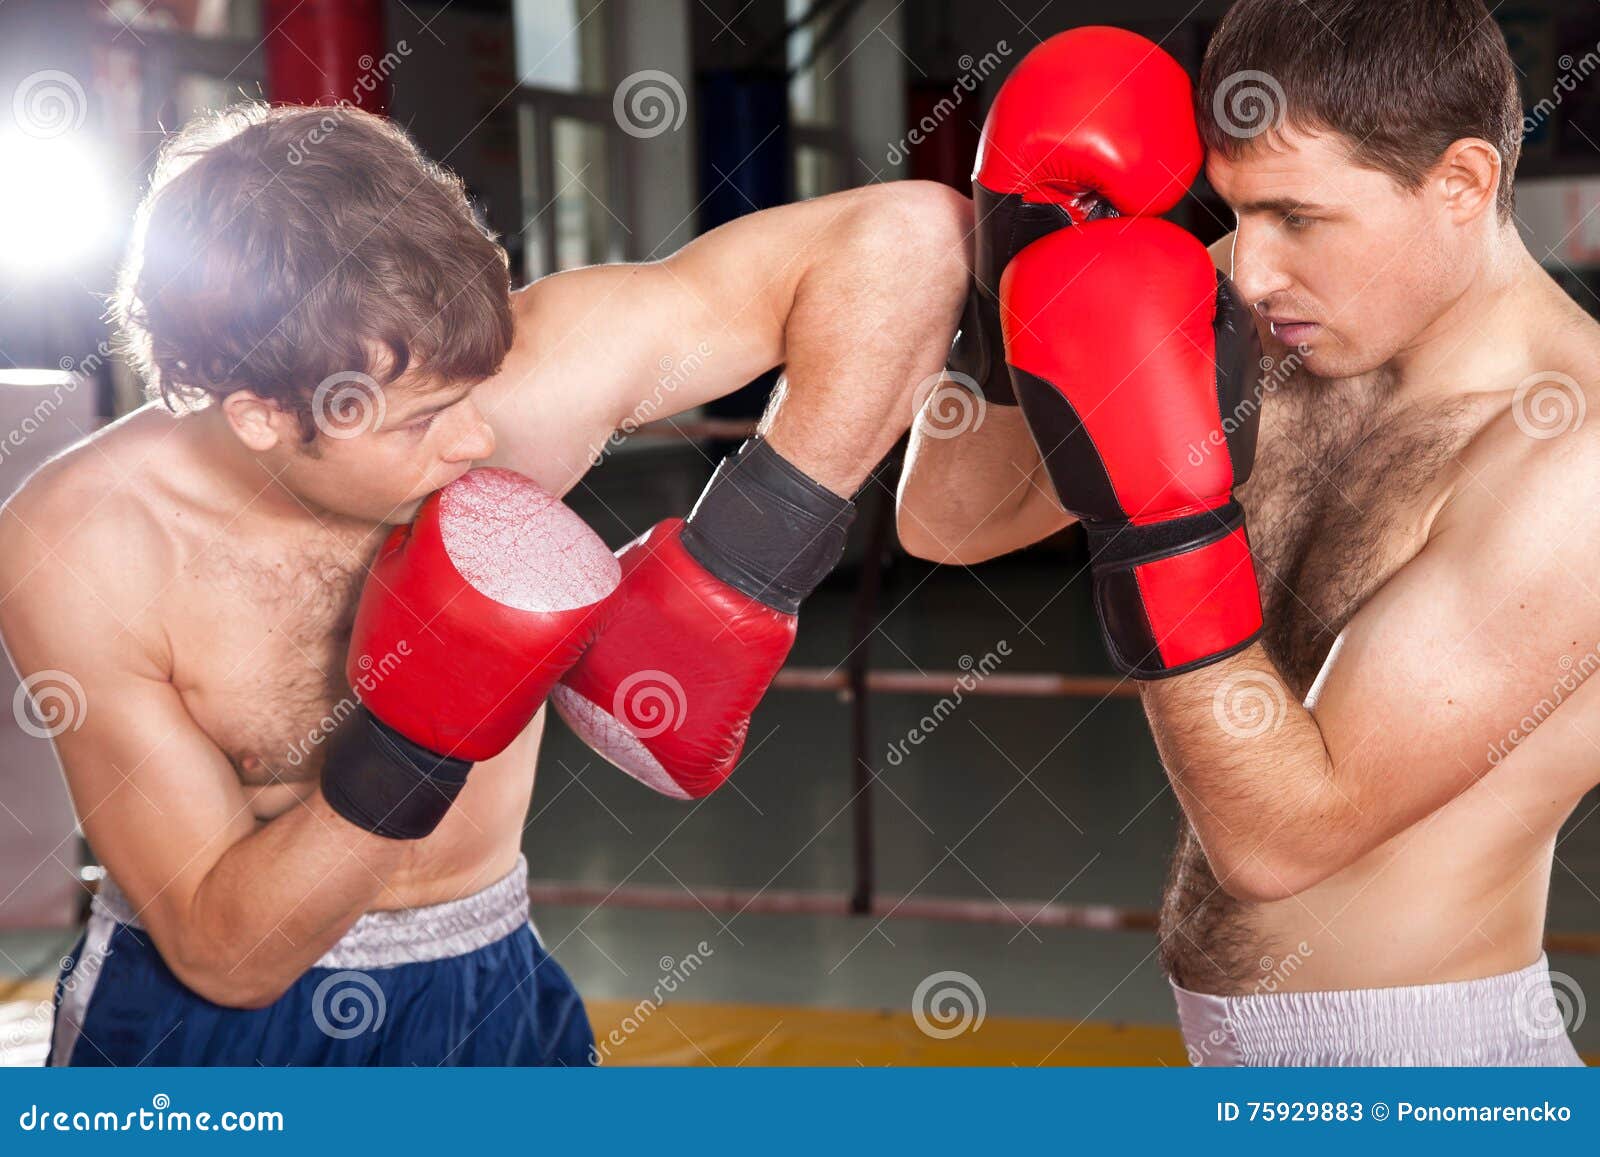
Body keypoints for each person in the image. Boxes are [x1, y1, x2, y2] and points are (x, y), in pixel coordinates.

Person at [0, 103, 969, 1065]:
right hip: (210, 1034)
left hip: (485, 979)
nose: (474, 443)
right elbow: (224, 954)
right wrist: (419, 730)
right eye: (420, 420)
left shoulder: (513, 385)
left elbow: (911, 237)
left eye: (471, 391)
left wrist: (742, 565)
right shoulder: (87, 542)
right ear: (259, 414)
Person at [898, 4, 1594, 1065]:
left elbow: (1282, 839)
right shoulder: (1267, 305)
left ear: (1461, 183)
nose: (1251, 268)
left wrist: (1155, 523)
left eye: (1296, 216)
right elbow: (948, 523)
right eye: (1235, 211)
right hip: (1221, 1057)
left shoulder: (1570, 457)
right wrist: (1013, 282)